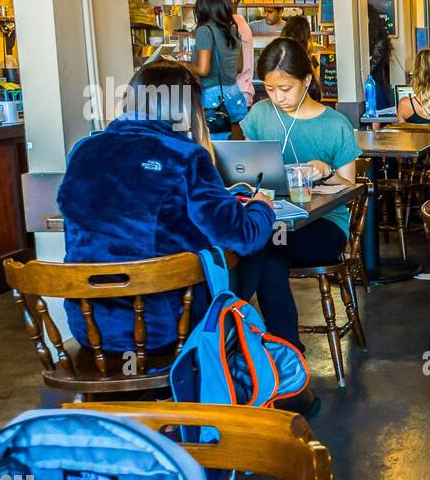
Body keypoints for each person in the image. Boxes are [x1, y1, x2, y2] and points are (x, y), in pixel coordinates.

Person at [57, 61, 275, 353]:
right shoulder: (185, 156)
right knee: (254, 254)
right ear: (186, 108)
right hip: (165, 326)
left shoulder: (83, 150)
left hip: (89, 326)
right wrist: (262, 207)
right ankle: (251, 364)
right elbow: (243, 235)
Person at [234, 39, 359, 350]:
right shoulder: (259, 115)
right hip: (273, 219)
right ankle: (288, 351)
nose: (278, 97)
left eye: (286, 89)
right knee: (267, 253)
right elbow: (240, 165)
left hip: (324, 224)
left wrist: (326, 171)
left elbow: (350, 187)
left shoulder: (335, 124)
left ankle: (234, 332)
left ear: (306, 80)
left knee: (261, 247)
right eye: (271, 89)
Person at [183, 0, 247, 137]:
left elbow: (203, 70)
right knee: (235, 140)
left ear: (202, 7)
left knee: (215, 144)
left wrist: (183, 64)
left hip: (213, 97)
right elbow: (239, 67)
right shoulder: (233, 29)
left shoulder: (204, 30)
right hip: (234, 92)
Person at [218, 0, 254, 108]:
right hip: (240, 92)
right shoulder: (239, 20)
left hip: (236, 94)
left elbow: (235, 66)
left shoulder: (232, 24)